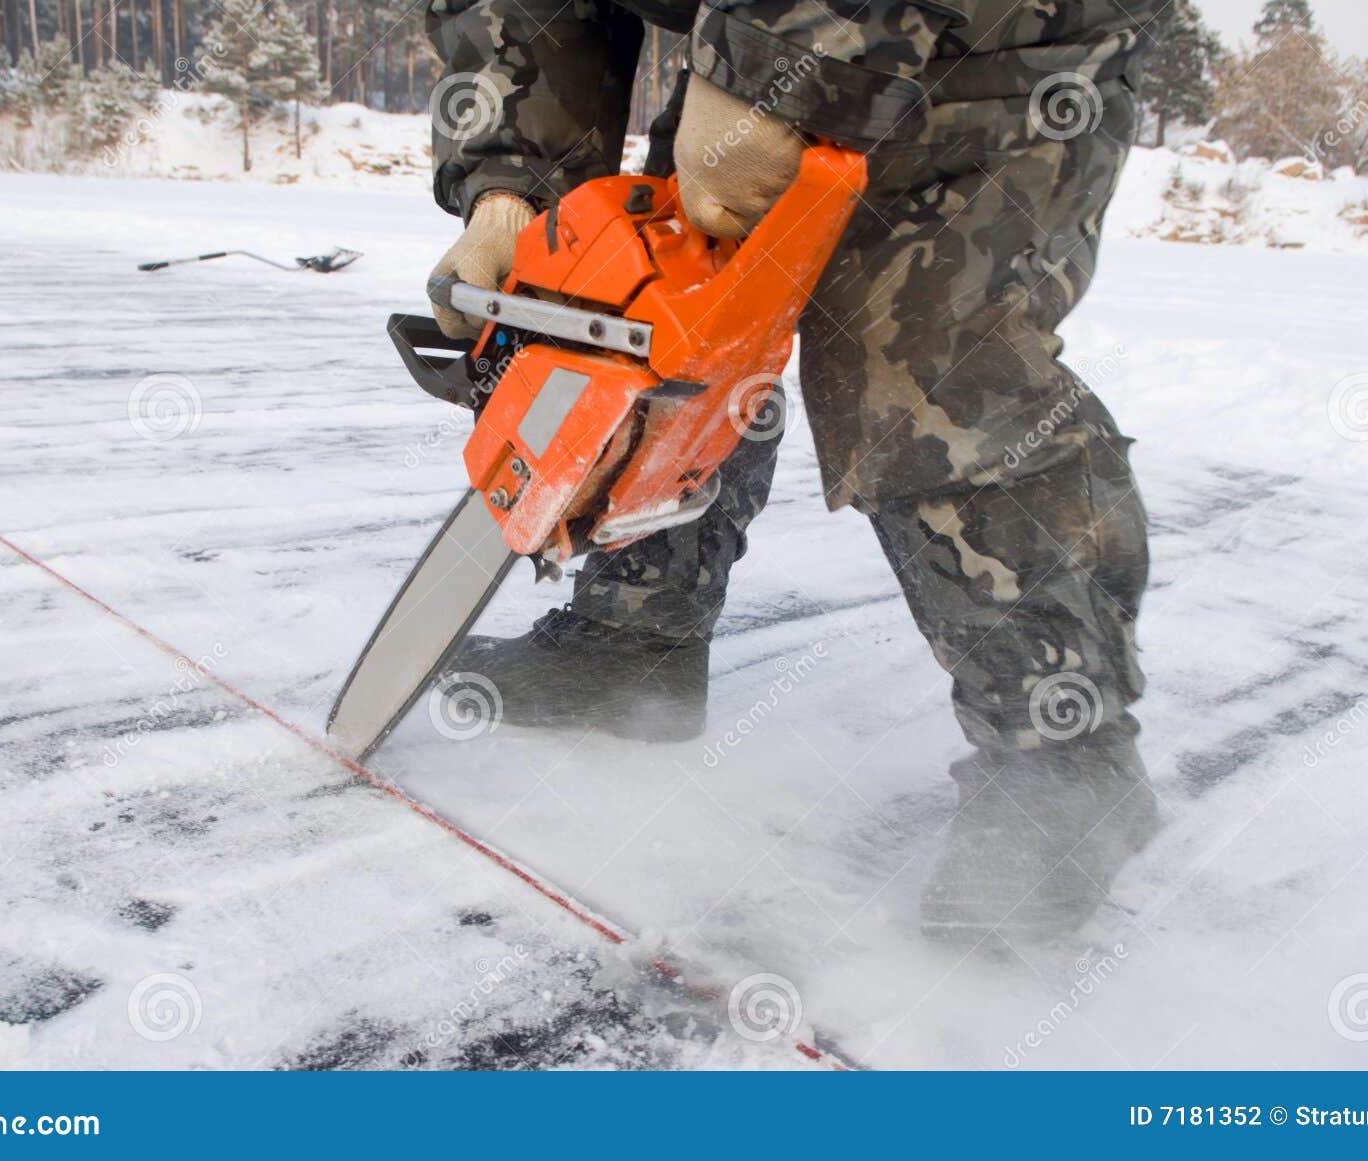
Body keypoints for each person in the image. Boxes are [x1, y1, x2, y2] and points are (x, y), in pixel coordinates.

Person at [423, 0, 1160, 941]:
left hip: (999, 36)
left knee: (928, 361)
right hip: (753, 41)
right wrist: (512, 187)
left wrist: (790, 59)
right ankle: (637, 640)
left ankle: (1061, 760)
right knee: (666, 305)